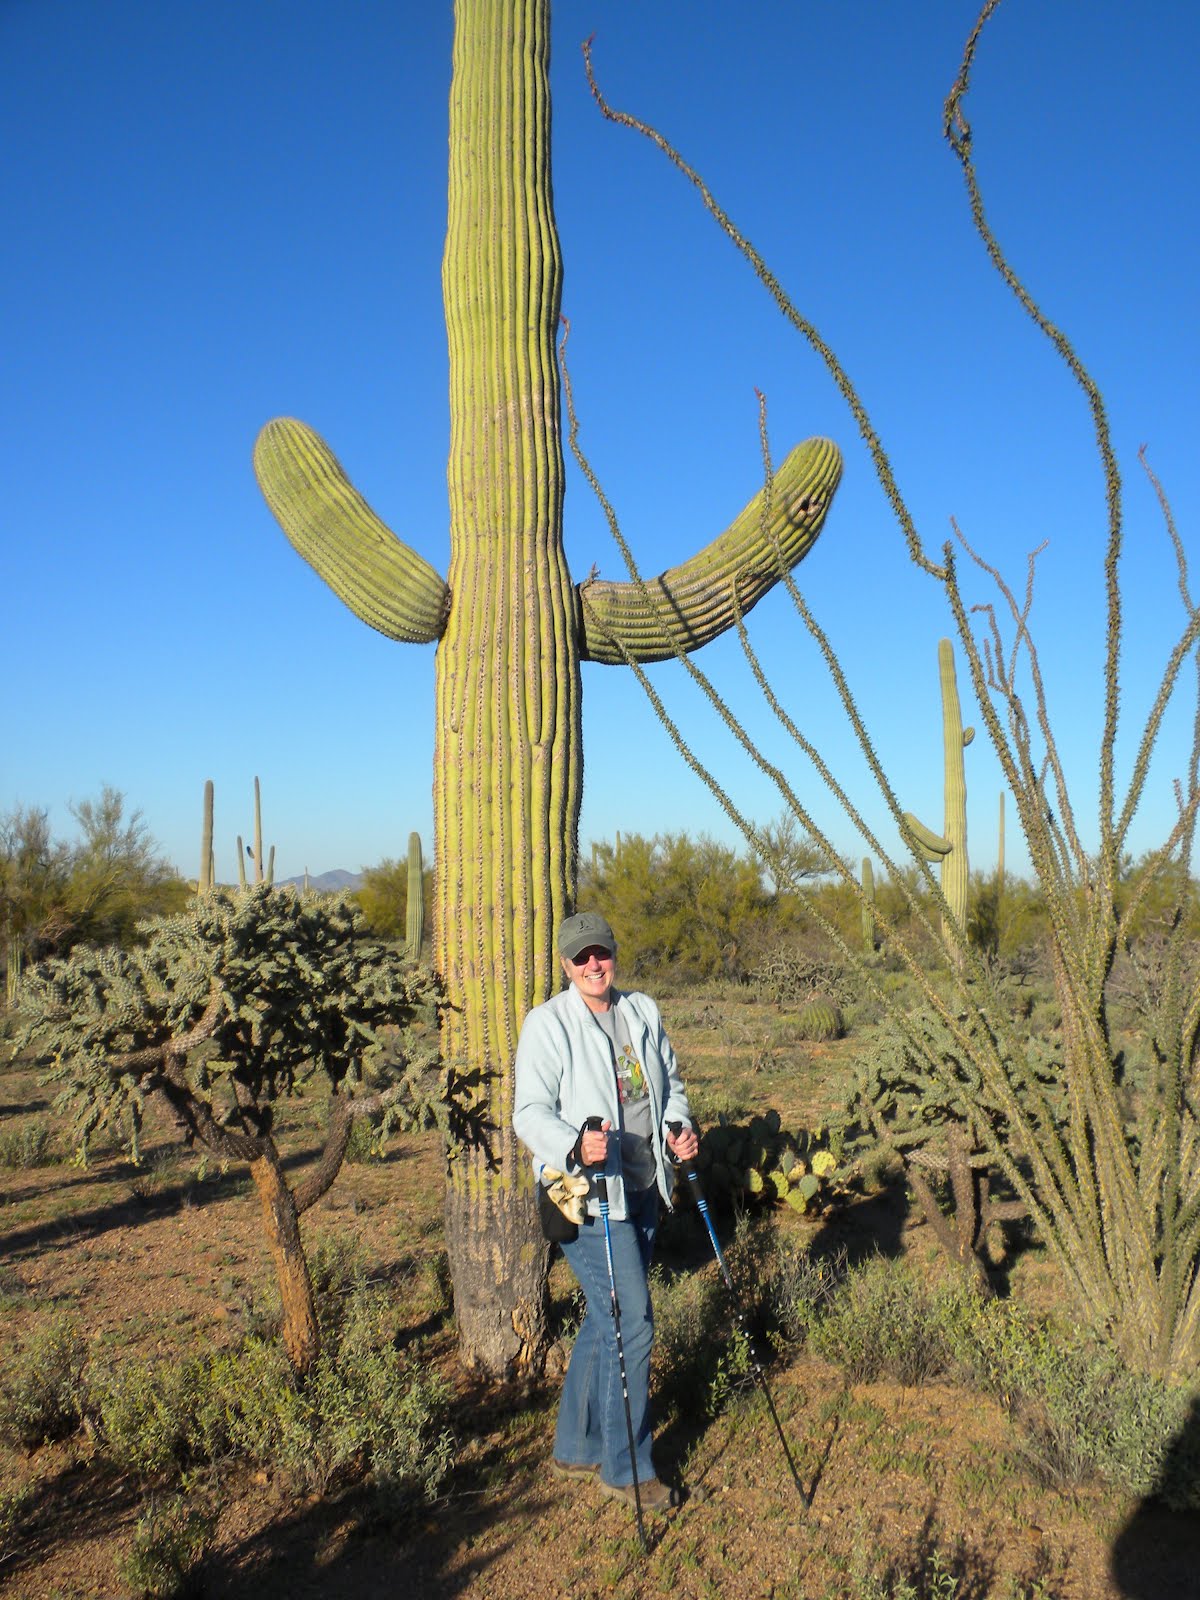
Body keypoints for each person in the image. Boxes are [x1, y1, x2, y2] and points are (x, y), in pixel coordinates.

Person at [513, 910, 699, 1513]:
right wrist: (575, 1142)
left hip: (644, 1185)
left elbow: (668, 1083)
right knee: (632, 1322)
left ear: (613, 954)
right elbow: (528, 1112)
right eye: (580, 956)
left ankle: (575, 1443)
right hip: (587, 1195)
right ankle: (626, 1468)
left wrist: (680, 1129)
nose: (594, 964)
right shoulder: (548, 1025)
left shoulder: (641, 1010)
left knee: (605, 1318)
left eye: (602, 953)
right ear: (565, 964)